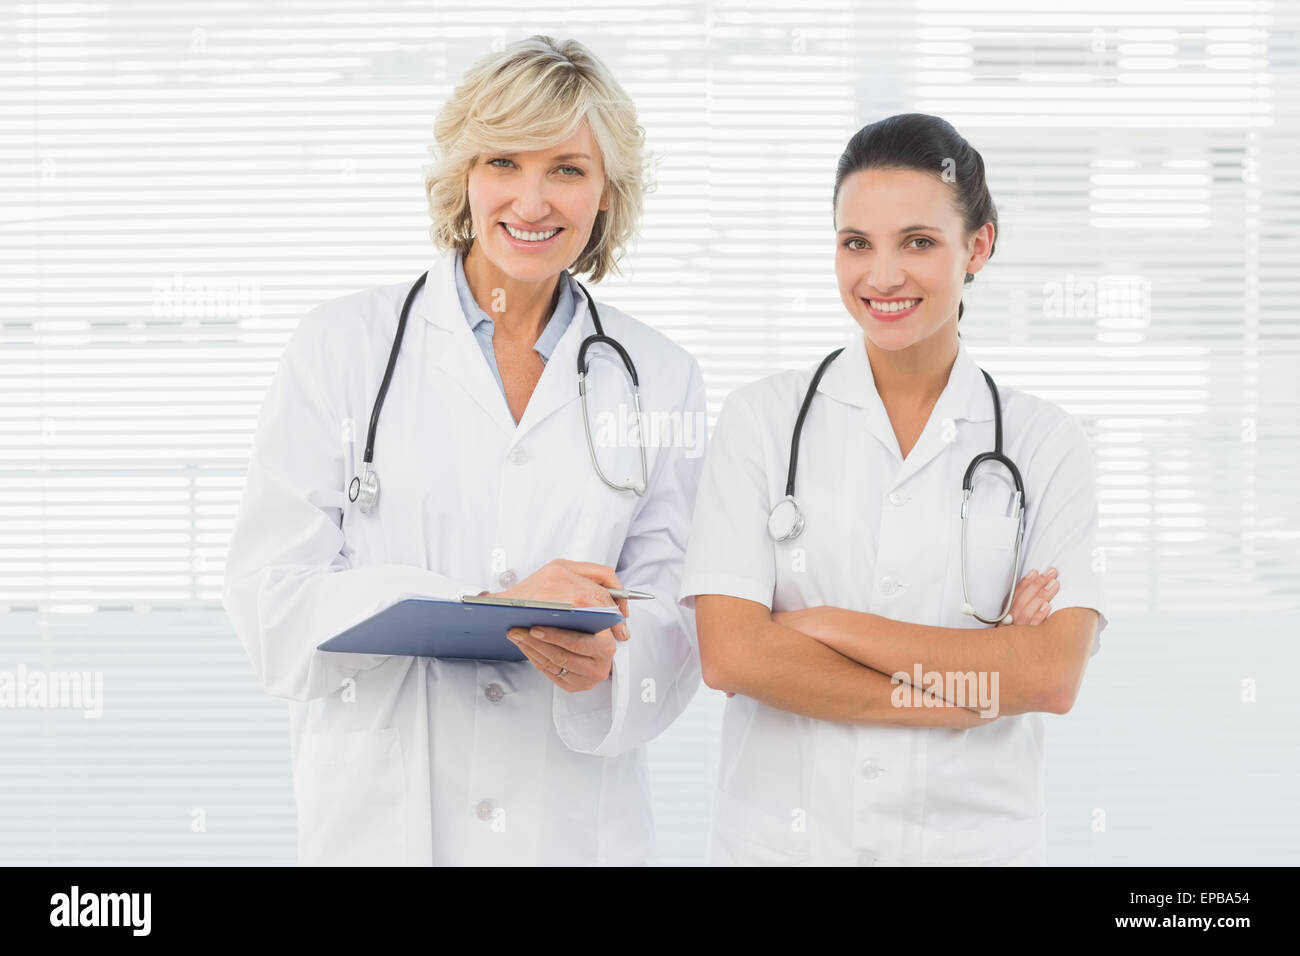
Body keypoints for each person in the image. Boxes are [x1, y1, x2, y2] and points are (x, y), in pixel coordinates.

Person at [223, 35, 706, 866]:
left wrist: (610, 667)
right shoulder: (343, 347)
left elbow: (676, 618)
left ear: (605, 193)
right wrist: (483, 602)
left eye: (567, 168)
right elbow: (271, 603)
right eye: (503, 161)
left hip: (572, 826)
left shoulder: (660, 377)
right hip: (385, 823)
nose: (531, 200)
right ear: (463, 177)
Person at [679, 113, 1108, 866]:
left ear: (978, 247)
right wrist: (972, 685)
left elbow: (1049, 674)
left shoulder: (1044, 443)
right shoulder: (761, 421)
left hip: (971, 842)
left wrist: (829, 626)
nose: (881, 276)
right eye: (856, 244)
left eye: (918, 242)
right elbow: (732, 657)